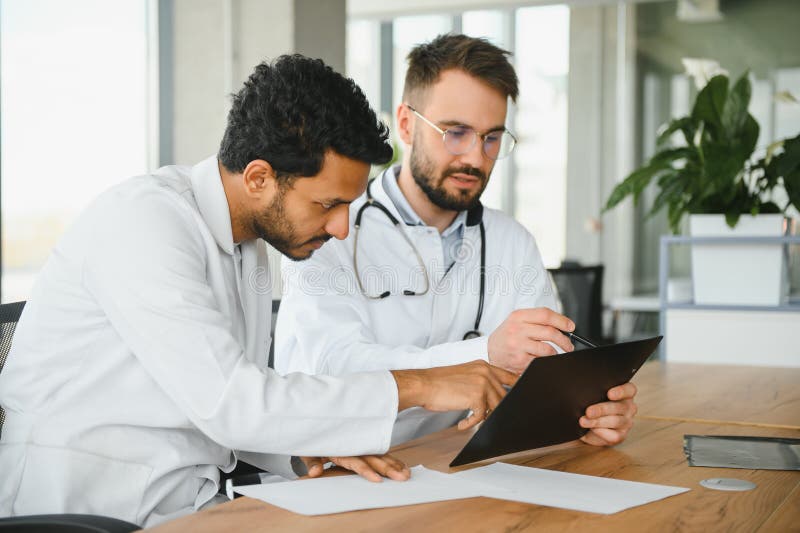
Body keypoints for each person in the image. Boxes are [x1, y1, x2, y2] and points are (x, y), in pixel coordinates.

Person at [0, 54, 517, 527]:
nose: (342, 228)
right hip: (84, 511)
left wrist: (313, 446)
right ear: (258, 178)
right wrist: (420, 385)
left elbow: (235, 401)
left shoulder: (247, 244)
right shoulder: (142, 222)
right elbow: (233, 403)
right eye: (328, 205)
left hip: (183, 505)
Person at [275, 35, 638, 446]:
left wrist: (582, 412)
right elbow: (329, 368)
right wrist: (485, 354)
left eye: (492, 138)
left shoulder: (512, 242)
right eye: (456, 132)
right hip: (345, 465)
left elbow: (542, 376)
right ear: (407, 124)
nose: (475, 158)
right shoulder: (327, 231)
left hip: (456, 463)